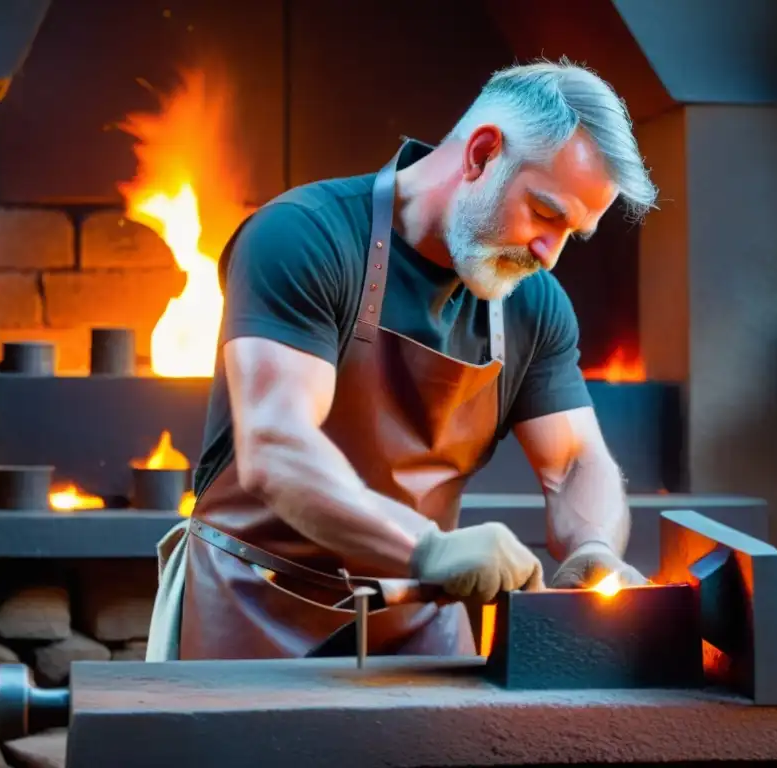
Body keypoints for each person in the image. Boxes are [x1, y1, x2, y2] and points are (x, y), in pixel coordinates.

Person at [173, 59, 659, 661]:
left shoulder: (534, 302)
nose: (550, 254)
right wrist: (429, 549)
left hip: (419, 623)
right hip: (255, 610)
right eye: (545, 213)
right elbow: (276, 446)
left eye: (572, 232)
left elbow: (576, 462)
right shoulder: (304, 237)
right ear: (481, 155)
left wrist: (594, 549)